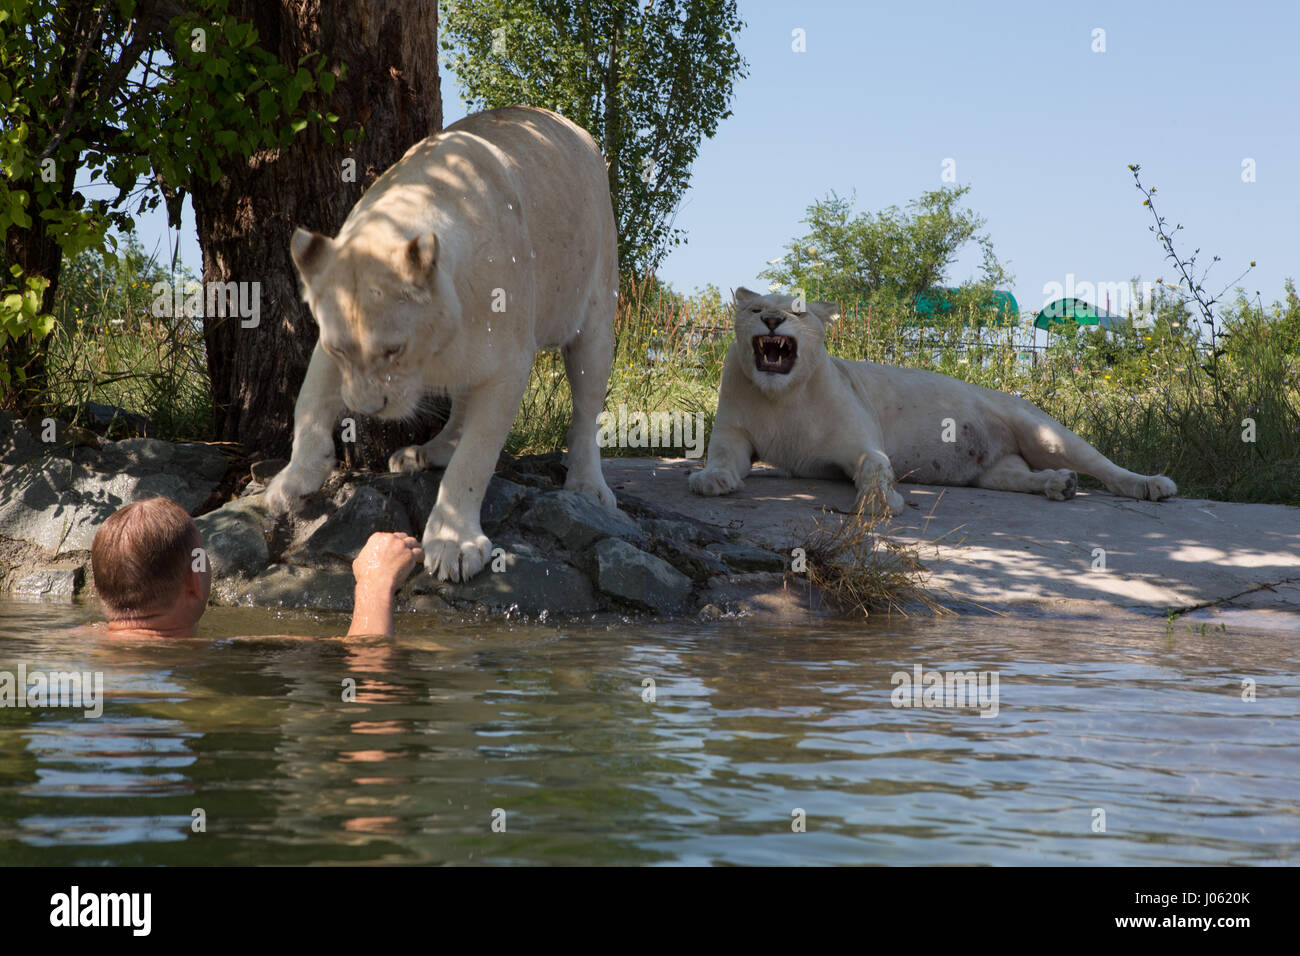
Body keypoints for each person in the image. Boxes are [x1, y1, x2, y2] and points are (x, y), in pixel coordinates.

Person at [89, 496, 422, 638]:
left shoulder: (80, 641)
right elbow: (367, 660)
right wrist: (374, 582)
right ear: (194, 581)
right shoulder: (228, 651)